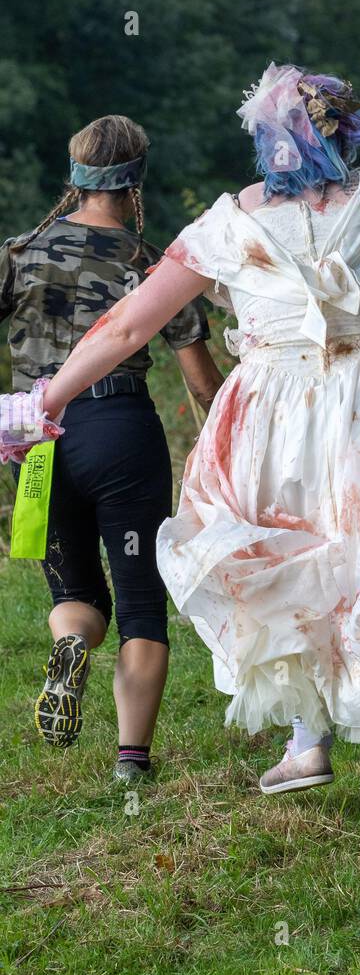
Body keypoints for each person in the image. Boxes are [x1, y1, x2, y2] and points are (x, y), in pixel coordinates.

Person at [38, 66, 360, 849]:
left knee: (291, 563)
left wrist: (50, 398)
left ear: (266, 142)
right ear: (342, 132)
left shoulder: (227, 225)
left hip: (268, 415)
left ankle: (307, 744)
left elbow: (129, 329)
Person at [0, 115, 223, 780]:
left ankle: (71, 645)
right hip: (118, 430)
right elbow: (201, 380)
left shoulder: (18, 253)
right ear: (136, 182)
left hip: (34, 442)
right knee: (140, 603)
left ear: (74, 178)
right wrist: (239, 426)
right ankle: (131, 763)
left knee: (75, 593)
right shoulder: (152, 266)